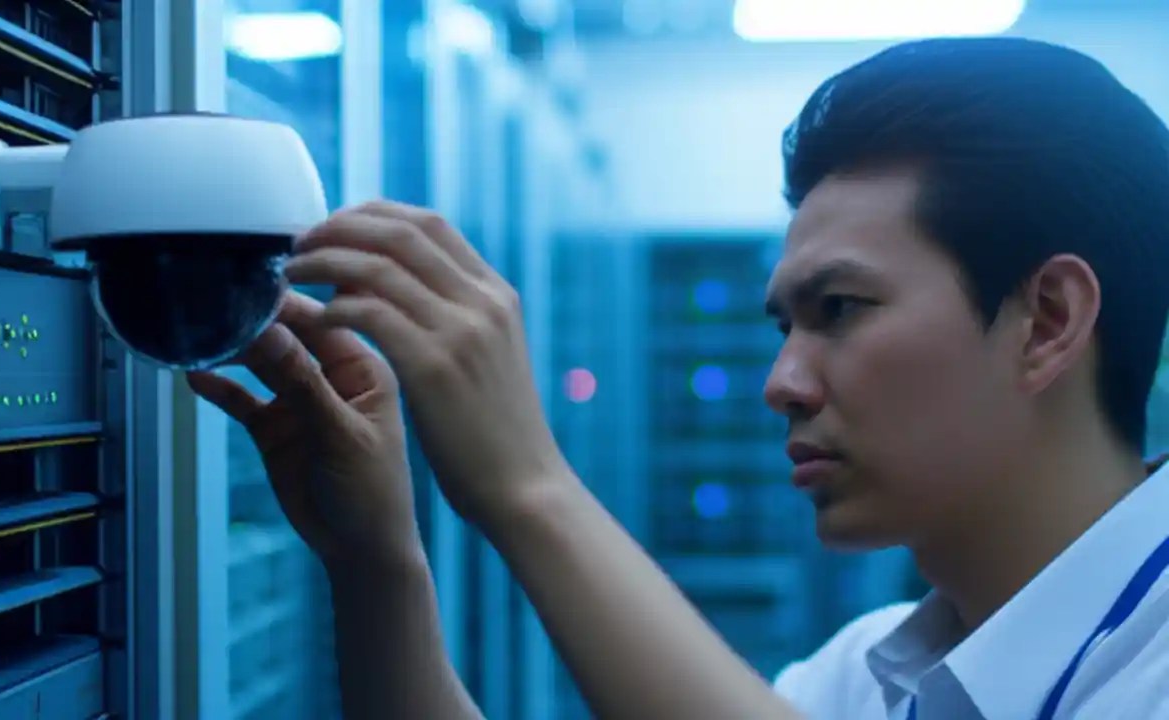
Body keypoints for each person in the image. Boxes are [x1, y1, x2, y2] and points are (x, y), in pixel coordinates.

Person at [187, 36, 1169, 719]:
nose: (780, 383)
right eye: (783, 324)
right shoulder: (874, 673)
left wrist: (528, 487)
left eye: (840, 310)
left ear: (1044, 322)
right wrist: (377, 563)